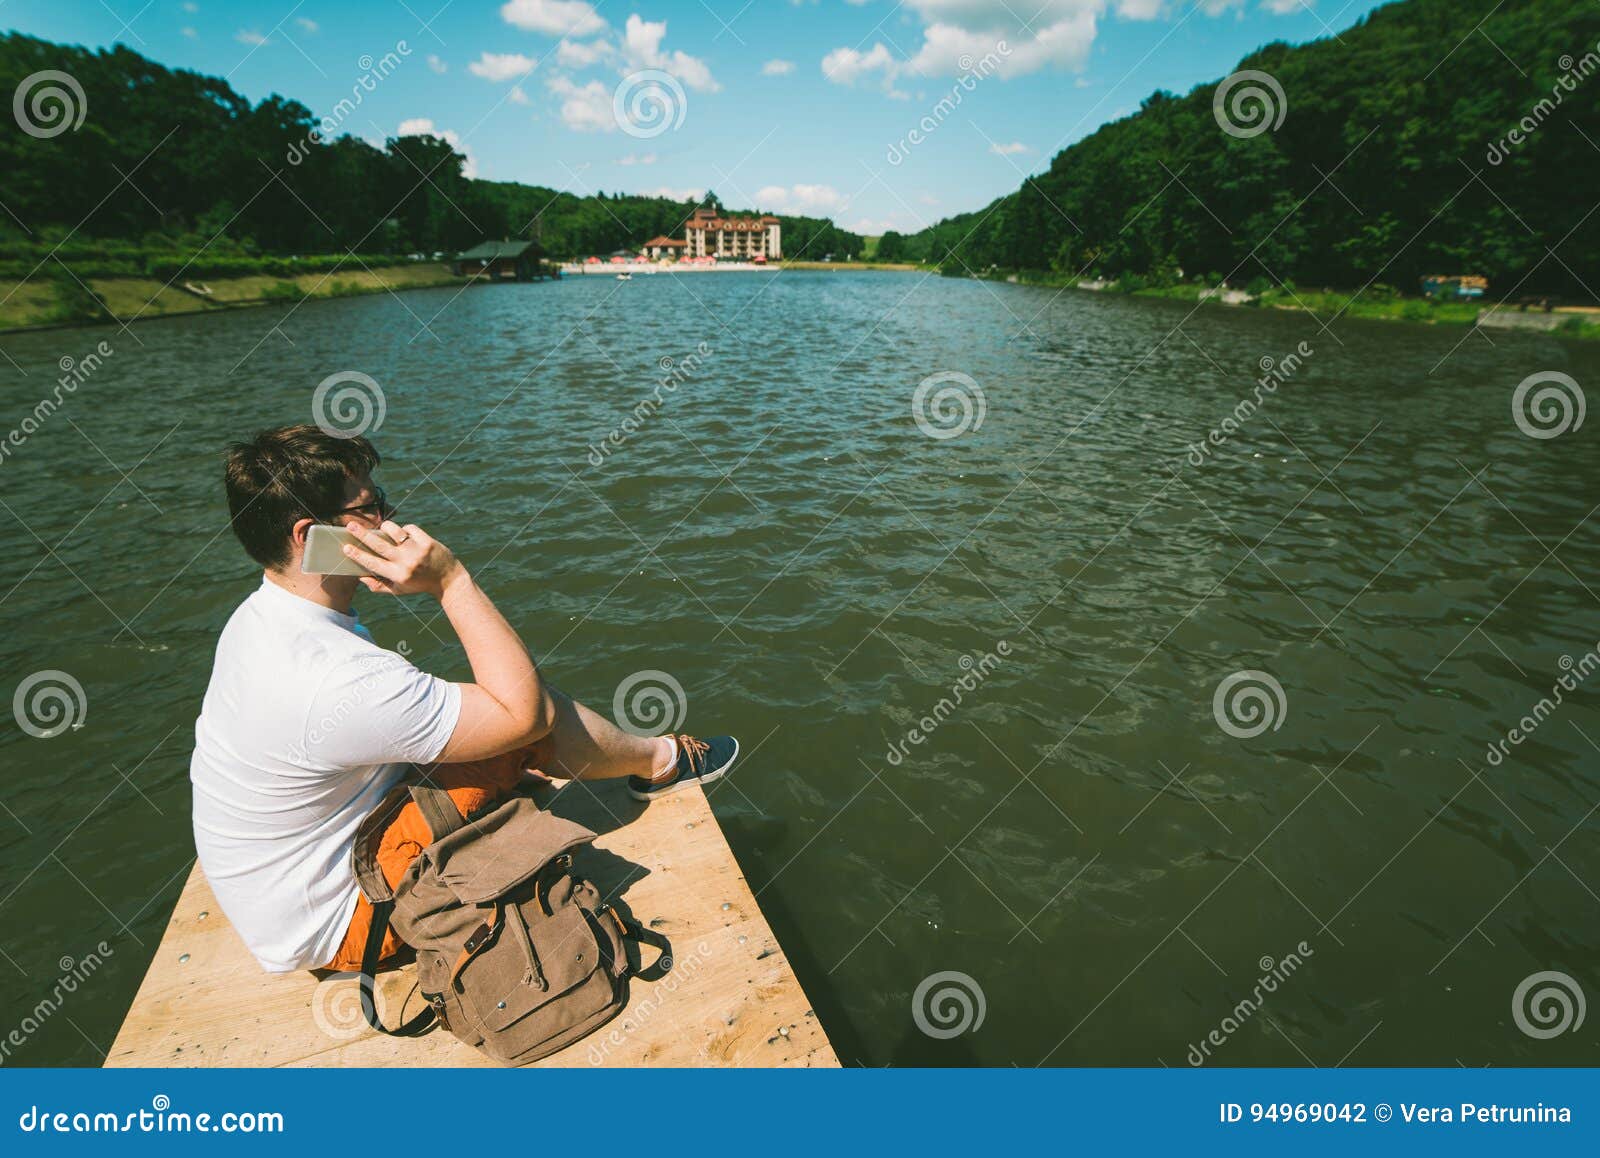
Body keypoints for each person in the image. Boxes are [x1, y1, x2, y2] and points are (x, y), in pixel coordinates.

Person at [189, 425, 737, 974]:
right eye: (370, 506)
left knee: (479, 711)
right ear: (309, 538)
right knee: (521, 719)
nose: (390, 520)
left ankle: (631, 761)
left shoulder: (263, 619)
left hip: (285, 902)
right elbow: (527, 713)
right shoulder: (334, 676)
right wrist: (449, 580)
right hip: (341, 921)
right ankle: (663, 762)